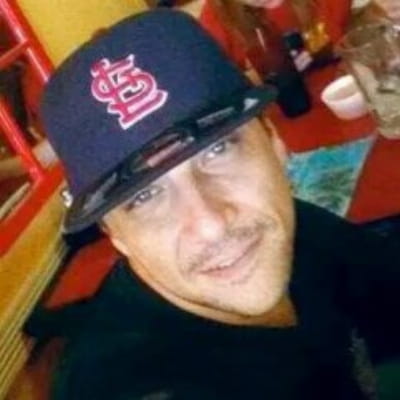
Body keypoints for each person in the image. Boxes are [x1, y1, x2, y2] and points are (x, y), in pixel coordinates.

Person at [37, 9, 400, 400]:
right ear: (115, 236)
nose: (211, 224)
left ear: (274, 141)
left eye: (218, 149)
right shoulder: (131, 385)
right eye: (143, 196)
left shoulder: (296, 228)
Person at [199, 0, 352, 79]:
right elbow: (217, 89)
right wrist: (264, 78)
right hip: (279, 116)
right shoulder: (217, 16)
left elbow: (350, 32)